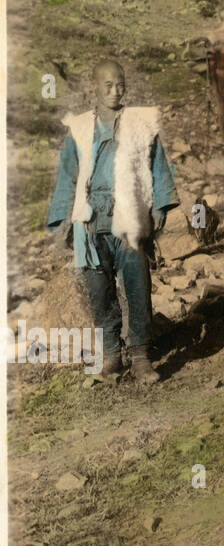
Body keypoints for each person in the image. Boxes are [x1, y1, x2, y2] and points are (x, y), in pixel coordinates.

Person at [46, 60, 177, 383]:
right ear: (95, 88)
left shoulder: (140, 124)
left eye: (120, 85)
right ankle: (110, 355)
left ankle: (142, 357)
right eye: (108, 85)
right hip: (90, 227)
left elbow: (157, 164)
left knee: (137, 287)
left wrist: (160, 206)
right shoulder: (78, 129)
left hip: (129, 220)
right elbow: (67, 175)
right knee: (99, 292)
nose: (115, 91)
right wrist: (62, 219)